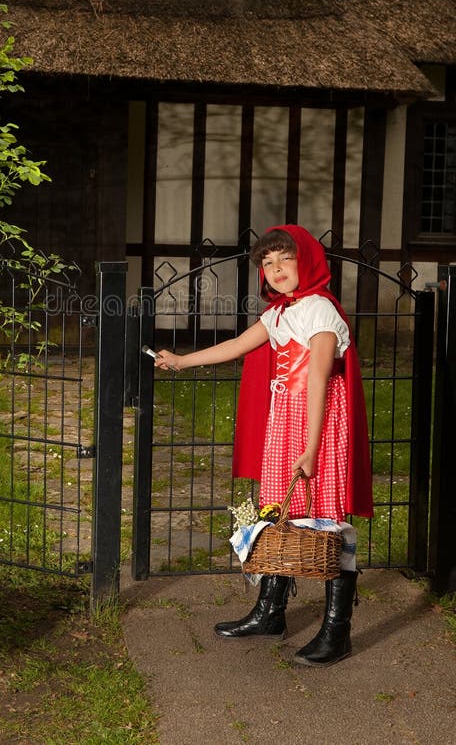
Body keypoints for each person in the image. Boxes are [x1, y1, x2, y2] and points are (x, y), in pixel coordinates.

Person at [155, 224, 373, 666]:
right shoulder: (278, 314)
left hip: (316, 424)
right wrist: (181, 361)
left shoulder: (320, 310)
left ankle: (337, 630)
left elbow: (318, 380)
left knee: (326, 518)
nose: (275, 269)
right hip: (283, 422)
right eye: (267, 263)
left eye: (284, 259)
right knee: (276, 511)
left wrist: (311, 447)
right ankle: (270, 612)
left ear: (306, 261)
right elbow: (238, 345)